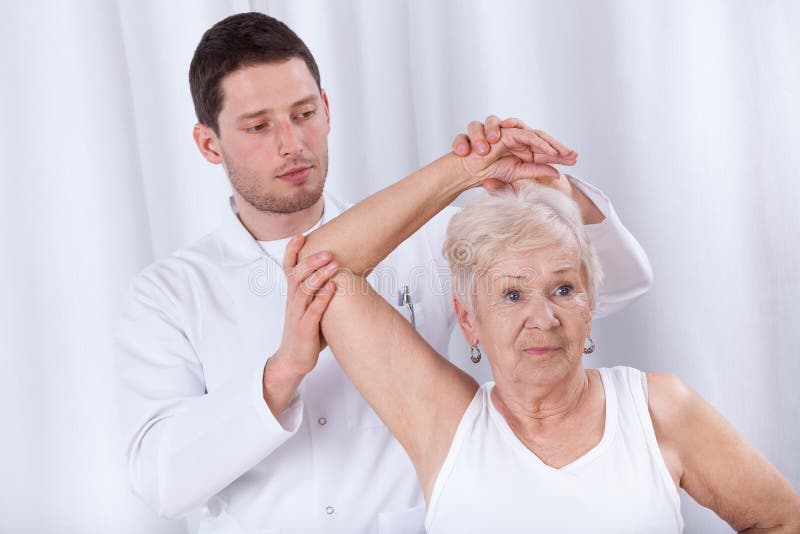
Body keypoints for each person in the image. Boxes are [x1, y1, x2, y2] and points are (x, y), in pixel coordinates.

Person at [114, 11, 652, 533]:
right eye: (258, 126)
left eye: (304, 114)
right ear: (210, 143)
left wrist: (554, 188)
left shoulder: (428, 242)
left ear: (327, 109)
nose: (292, 144)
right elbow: (161, 482)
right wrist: (282, 372)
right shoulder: (169, 293)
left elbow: (622, 286)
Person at [293, 127, 800, 532]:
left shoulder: (657, 408)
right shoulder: (445, 421)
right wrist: (468, 169)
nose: (544, 318)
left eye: (563, 289)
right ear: (468, 320)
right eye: (512, 295)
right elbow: (318, 263)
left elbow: (782, 519)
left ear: (590, 303)